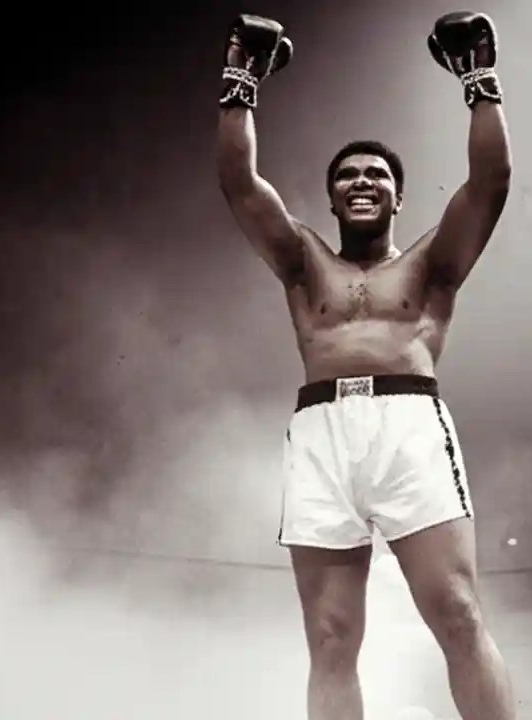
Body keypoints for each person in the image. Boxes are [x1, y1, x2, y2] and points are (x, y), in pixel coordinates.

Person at [215, 11, 516, 720]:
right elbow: (238, 182)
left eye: (376, 174)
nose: (361, 181)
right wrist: (240, 81)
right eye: (347, 174)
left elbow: (491, 182)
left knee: (459, 614)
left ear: (397, 195)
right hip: (323, 433)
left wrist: (479, 80)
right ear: (331, 196)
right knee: (329, 637)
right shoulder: (301, 259)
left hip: (407, 423)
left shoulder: (434, 262)